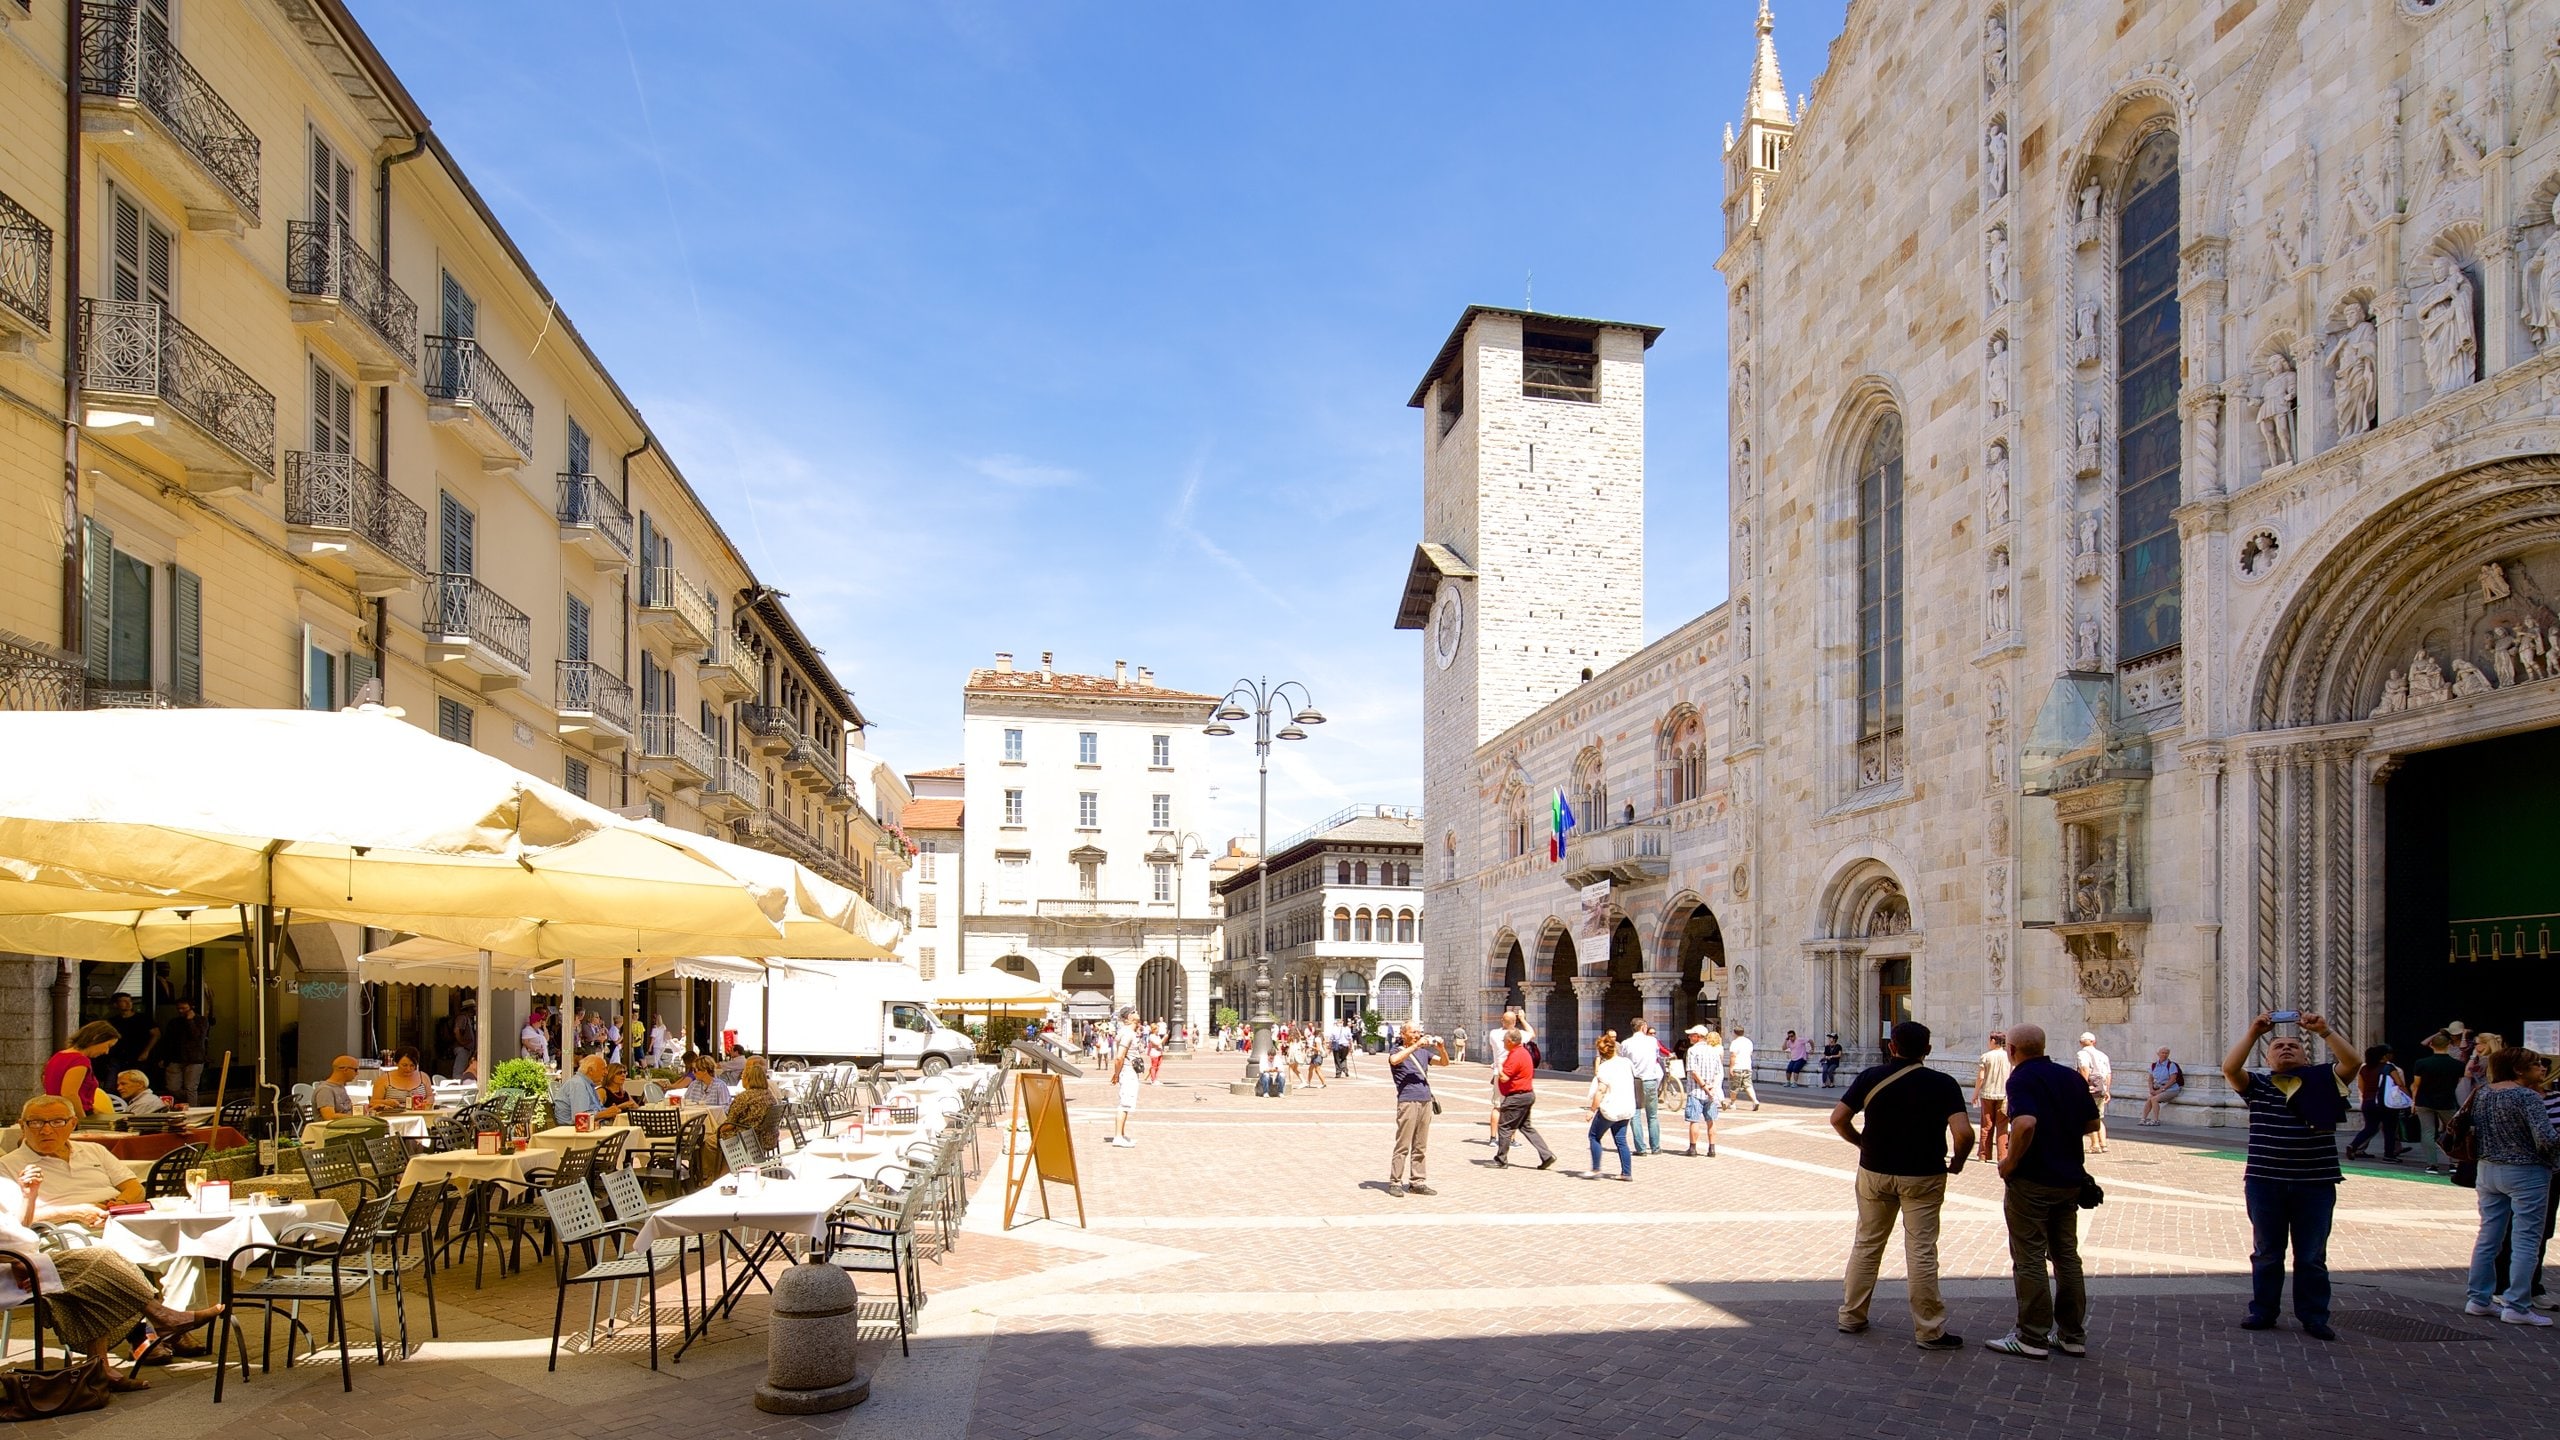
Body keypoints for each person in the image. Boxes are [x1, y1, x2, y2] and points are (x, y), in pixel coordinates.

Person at [0, 1169, 223, 1393]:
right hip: (12, 1270)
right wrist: (11, 1259)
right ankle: (164, 1318)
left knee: (104, 1263)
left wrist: (29, 1196)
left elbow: (16, 1230)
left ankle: (106, 1365)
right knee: (99, 1263)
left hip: (26, 1260)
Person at [1832, 1019, 1972, 1350]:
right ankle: (1929, 1330)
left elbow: (1838, 1118)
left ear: (1891, 1047)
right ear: (1927, 1049)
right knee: (1922, 1250)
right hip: (1923, 1174)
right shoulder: (1943, 1084)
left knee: (1866, 1243)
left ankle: (1851, 1315)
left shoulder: (1870, 1077)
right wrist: (1959, 1161)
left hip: (1875, 1172)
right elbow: (1964, 1133)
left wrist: (1861, 1143)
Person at [2220, 1009, 2360, 1341]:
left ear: (2306, 1055)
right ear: (2267, 1058)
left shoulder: (2324, 1080)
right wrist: (2253, 1032)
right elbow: (2230, 1068)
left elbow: (2353, 1063)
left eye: (2292, 1046)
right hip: (2265, 1181)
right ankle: (2263, 1310)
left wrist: (2325, 1031)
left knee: (2311, 1255)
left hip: (2315, 1182)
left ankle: (2313, 1316)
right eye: (2278, 1046)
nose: (2285, 1049)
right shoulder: (2258, 1085)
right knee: (2267, 1251)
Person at [1990, 1023, 2100, 1360]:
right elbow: (2092, 1124)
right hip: (2069, 1179)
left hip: (2033, 1180)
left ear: (2011, 1050)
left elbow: (2024, 1123)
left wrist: (2010, 1161)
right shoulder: (2070, 1077)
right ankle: (2071, 1335)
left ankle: (2032, 1336)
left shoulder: (2021, 1078)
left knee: (2030, 1258)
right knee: (2067, 1257)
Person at [2463, 1046, 2557, 1325]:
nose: (2542, 1068)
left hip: (2488, 1169)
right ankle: (2517, 1304)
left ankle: (2478, 1298)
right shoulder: (2527, 1096)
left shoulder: (2483, 1092)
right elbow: (2546, 1139)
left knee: (2488, 1236)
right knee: (2526, 1239)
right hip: (2526, 1171)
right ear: (2519, 1069)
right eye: (2536, 1064)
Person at [3, 1097, 143, 1226]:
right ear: (22, 1126)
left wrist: (119, 1204)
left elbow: (135, 1188)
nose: (46, 1130)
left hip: (118, 1222)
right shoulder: (6, 1166)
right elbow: (10, 1219)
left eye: (57, 1122)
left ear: (73, 1124)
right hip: (67, 1232)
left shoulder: (94, 1150)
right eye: (36, 1123)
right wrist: (74, 1212)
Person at [1386, 1024, 1448, 1197]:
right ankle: (1395, 1181)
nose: (1417, 1035)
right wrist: (1415, 1046)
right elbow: (1394, 1060)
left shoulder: (1423, 1053)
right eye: (1413, 1032)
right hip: (1407, 1101)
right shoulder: (1396, 1050)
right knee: (1403, 1144)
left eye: (1418, 1032)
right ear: (1403, 1034)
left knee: (1420, 1145)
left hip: (1425, 1100)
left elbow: (1444, 1063)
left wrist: (1442, 1049)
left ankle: (1417, 1181)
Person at [1492, 1028, 1556, 1169]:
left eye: (1504, 1041)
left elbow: (1504, 1078)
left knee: (1504, 1126)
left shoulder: (1515, 1055)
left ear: (1510, 1041)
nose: (1503, 1043)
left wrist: (1499, 1067)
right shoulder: (1524, 1052)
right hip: (1527, 1094)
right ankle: (1547, 1155)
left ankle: (1501, 1159)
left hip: (1517, 1096)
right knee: (1526, 1127)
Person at [2409, 1030, 2466, 1173]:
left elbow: (2416, 1085)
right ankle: (2454, 1162)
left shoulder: (2421, 1063)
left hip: (2424, 1100)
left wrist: (2413, 1102)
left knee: (2427, 1132)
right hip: (2447, 1101)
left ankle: (2432, 1164)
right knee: (2453, 1131)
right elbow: (2458, 1084)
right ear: (2448, 1045)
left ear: (2432, 1045)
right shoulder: (2457, 1065)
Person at [1583, 1031, 1637, 1181]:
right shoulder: (1627, 1063)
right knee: (1621, 1140)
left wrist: (1592, 1110)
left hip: (1611, 1108)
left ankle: (1595, 1169)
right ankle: (1626, 1173)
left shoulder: (1604, 1067)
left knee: (1594, 1136)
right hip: (1626, 1106)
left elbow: (1600, 1091)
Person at [44, 1021, 121, 1121]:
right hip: (71, 1116)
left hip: (57, 1114)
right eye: (108, 1046)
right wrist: (83, 1121)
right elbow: (69, 1094)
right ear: (96, 1038)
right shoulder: (79, 1060)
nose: (106, 1052)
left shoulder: (58, 1056)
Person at [2343, 1045, 2407, 1161]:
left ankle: (2353, 1145)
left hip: (2368, 1101)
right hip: (2385, 1102)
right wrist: (2408, 1097)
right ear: (2383, 1056)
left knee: (2370, 1127)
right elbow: (2399, 1084)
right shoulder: (2389, 1068)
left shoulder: (2364, 1069)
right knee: (2389, 1129)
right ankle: (2389, 1155)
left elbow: (2361, 1087)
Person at [1623, 1019, 1666, 1157]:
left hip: (1634, 1080)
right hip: (1650, 1080)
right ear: (1643, 1027)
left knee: (1635, 1114)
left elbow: (1624, 1061)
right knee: (1652, 1115)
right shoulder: (1652, 1041)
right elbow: (1657, 1055)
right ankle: (1656, 1147)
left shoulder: (1626, 1043)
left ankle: (1641, 1148)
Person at [1104, 1006, 1145, 1148]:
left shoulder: (1129, 1032)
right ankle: (1118, 1137)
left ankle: (1121, 1134)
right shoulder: (1127, 1033)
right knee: (1125, 1103)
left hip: (1129, 1071)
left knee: (1127, 1103)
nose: (1137, 1012)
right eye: (1134, 1012)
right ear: (1129, 1018)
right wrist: (1116, 1074)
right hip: (1128, 1071)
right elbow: (1119, 1056)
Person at [1680, 1024, 1723, 1157]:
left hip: (1696, 1091)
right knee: (1711, 1120)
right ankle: (1712, 1149)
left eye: (1691, 1035)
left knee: (1694, 1120)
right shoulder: (1714, 1051)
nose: (1689, 1037)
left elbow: (1693, 1071)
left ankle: (1693, 1148)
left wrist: (1704, 1086)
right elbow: (1719, 1072)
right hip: (1711, 1092)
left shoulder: (1693, 1051)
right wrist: (1712, 1088)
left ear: (1698, 1037)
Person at [158, 998, 210, 1106]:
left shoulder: (201, 1020)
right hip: (175, 1058)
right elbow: (168, 1040)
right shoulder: (174, 1022)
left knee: (191, 1087)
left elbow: (197, 1037)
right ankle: (191, 1102)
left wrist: (190, 1021)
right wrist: (164, 1057)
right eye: (179, 1008)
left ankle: (193, 1108)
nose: (181, 1011)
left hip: (194, 1059)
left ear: (192, 1007)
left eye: (184, 1008)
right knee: (172, 1087)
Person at [725, 1056, 780, 1152]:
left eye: (742, 1076)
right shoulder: (769, 1095)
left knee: (709, 1141)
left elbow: (730, 1124)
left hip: (749, 1138)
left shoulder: (744, 1097)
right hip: (768, 1137)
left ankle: (715, 1167)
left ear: (747, 1078)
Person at [103, 994, 157, 1089]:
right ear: (116, 1004)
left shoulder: (143, 1019)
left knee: (137, 1084)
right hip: (117, 1056)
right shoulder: (112, 1021)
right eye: (123, 1001)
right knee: (110, 1085)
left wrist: (146, 1051)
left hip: (137, 1056)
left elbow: (156, 1034)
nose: (128, 1004)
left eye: (130, 1001)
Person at [1975, 1031, 2012, 1164]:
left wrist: (1975, 1094)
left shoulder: (1986, 1056)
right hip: (2004, 1095)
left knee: (1986, 1125)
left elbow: (1981, 1077)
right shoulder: (2009, 1057)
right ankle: (2002, 1156)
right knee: (2002, 1126)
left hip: (1987, 1094)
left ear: (1993, 1041)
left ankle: (1983, 1155)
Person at [2074, 1032, 2113, 1153]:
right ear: (2094, 1042)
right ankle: (2104, 1144)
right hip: (2101, 1089)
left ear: (2080, 1043)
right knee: (2099, 1117)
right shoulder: (2103, 1055)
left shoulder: (2082, 1053)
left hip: (2090, 1089)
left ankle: (2095, 1145)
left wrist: (2083, 1087)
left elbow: (2084, 1069)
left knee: (2088, 1117)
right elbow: (2108, 1074)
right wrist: (2107, 1090)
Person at [373, 1048, 433, 1112]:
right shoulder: (384, 1079)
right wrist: (386, 1103)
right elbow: (373, 1102)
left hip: (420, 1115)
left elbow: (430, 1096)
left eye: (412, 1065)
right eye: (404, 1065)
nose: (408, 1069)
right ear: (396, 1063)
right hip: (393, 1116)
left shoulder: (423, 1077)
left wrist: (427, 1101)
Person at [554, 1053, 606, 1127]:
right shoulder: (578, 1084)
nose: (606, 1072)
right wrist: (605, 1114)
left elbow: (598, 1109)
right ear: (590, 1070)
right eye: (603, 1069)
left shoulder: (587, 1084)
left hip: (588, 1127)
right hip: (571, 1131)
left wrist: (615, 1110)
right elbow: (580, 1117)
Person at [2140, 1047, 2185, 1127]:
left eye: (2166, 1053)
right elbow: (2150, 1079)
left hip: (2172, 1089)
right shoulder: (2154, 1065)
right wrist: (2151, 1089)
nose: (2164, 1055)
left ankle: (2155, 1120)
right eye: (2162, 1053)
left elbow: (2172, 1080)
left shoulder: (2171, 1065)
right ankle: (2143, 1119)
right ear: (2158, 1054)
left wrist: (2161, 1090)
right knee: (2150, 1098)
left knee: (2154, 1099)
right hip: (2159, 1088)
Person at [309, 1054, 361, 1122]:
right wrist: (357, 1117)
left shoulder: (340, 1087)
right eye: (356, 1070)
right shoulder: (325, 1090)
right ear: (345, 1069)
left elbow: (346, 1109)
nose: (357, 1073)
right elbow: (329, 1116)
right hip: (331, 1130)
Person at [1728, 1028, 1761, 1111]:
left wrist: (1731, 1067)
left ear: (1734, 1033)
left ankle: (1732, 1103)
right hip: (1747, 1066)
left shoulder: (1735, 1042)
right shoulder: (1748, 1042)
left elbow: (1733, 1055)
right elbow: (1750, 1054)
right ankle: (1755, 1101)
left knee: (1734, 1087)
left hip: (1737, 1067)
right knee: (1748, 1085)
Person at [451, 1001, 477, 1080]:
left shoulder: (467, 1018)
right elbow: (456, 1031)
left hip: (466, 1049)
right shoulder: (462, 1017)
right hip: (463, 1049)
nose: (474, 1010)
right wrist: (462, 1042)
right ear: (468, 1009)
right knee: (458, 1072)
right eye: (473, 1008)